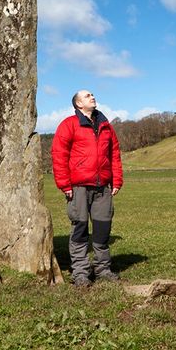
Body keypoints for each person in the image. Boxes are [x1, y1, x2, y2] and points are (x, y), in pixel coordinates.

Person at [51, 89, 123, 287]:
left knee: (102, 229)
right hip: (78, 187)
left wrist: (116, 180)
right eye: (87, 96)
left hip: (103, 188)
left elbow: (114, 154)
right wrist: (65, 184)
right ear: (78, 104)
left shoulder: (106, 126)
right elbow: (59, 155)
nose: (92, 96)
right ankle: (80, 272)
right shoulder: (68, 125)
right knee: (80, 229)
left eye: (92, 94)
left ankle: (103, 269)